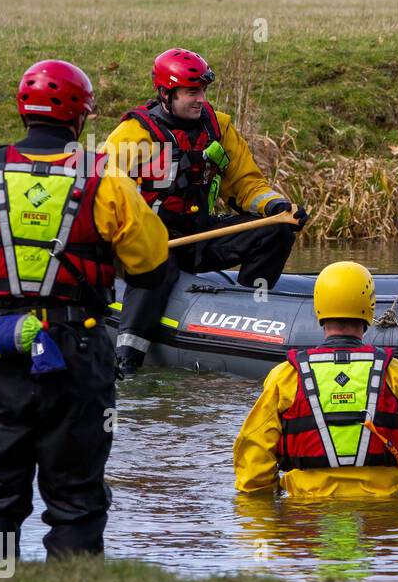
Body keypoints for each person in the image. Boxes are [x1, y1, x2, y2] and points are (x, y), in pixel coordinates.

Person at [0, 59, 170, 558]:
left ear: (22, 110)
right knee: (77, 497)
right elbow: (152, 268)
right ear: (80, 117)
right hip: (77, 353)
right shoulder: (107, 179)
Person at [103, 47, 308, 375]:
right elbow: (100, 195)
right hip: (148, 240)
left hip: (198, 233)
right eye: (191, 92)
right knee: (157, 267)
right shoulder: (133, 136)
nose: (200, 99)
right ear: (166, 93)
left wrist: (276, 207)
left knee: (275, 231)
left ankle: (247, 312)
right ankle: (127, 359)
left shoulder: (218, 127)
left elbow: (246, 184)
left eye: (203, 91)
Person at [233, 261, 398, 498]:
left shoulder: (286, 376)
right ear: (370, 307)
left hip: (305, 519)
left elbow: (253, 463)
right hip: (380, 521)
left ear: (319, 307)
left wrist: (271, 494)